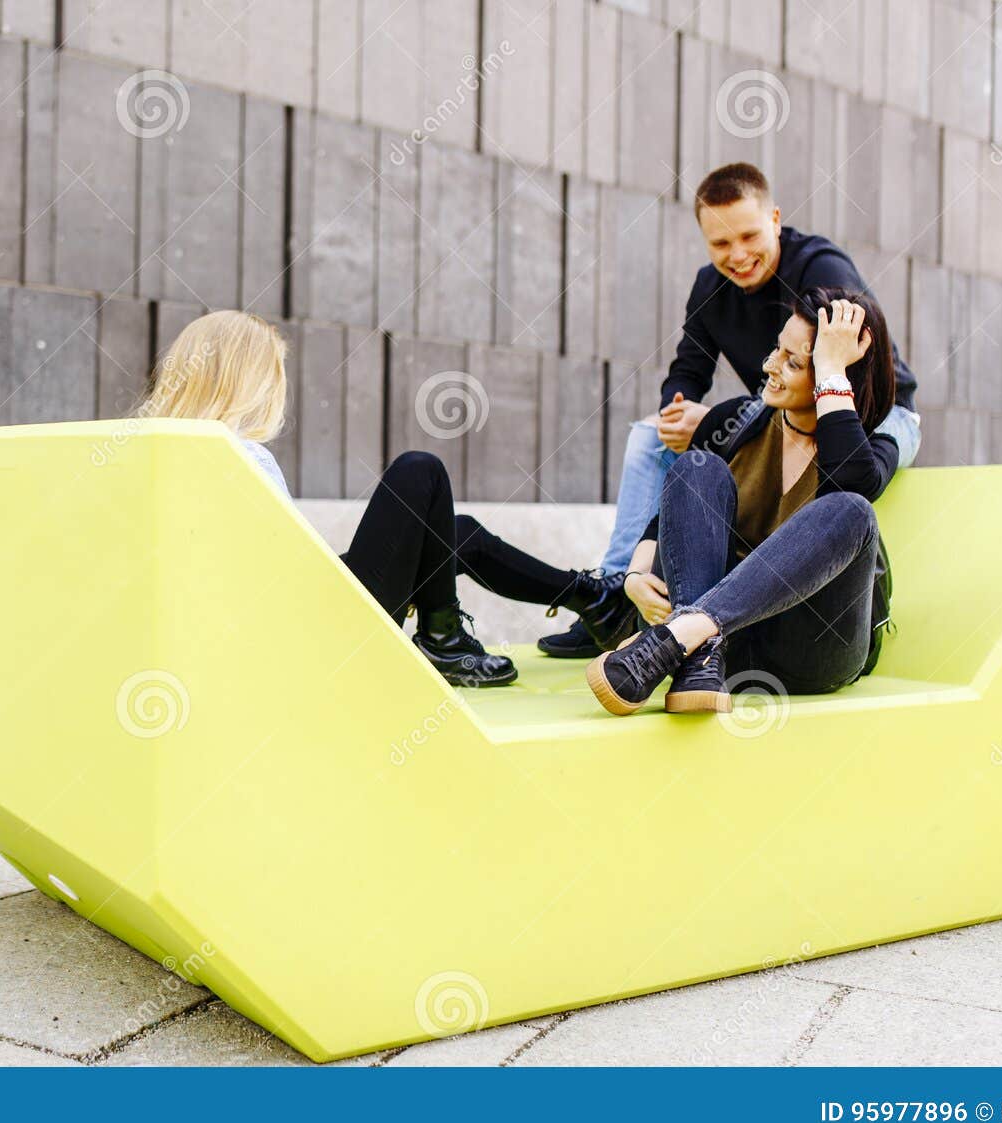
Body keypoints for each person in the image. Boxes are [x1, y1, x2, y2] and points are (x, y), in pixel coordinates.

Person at [541, 162, 921, 660]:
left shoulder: (820, 269)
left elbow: (822, 362)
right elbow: (688, 368)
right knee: (648, 436)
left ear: (776, 220)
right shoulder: (710, 288)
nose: (738, 256)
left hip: (871, 405)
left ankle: (694, 625)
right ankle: (618, 593)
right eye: (721, 245)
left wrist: (746, 412)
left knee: (846, 485)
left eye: (748, 236)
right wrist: (678, 414)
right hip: (781, 405)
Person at [137, 311, 634, 689]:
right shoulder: (242, 456)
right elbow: (283, 573)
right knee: (419, 471)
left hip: (278, 621)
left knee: (453, 534)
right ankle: (447, 641)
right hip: (313, 638)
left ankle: (589, 599)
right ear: (249, 382)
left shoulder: (160, 451)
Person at [585, 288, 897, 716]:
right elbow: (669, 522)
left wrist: (829, 370)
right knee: (697, 467)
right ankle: (695, 648)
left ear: (837, 374)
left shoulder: (871, 450)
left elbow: (849, 484)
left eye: (795, 362)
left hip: (809, 653)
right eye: (777, 349)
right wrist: (635, 577)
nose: (770, 366)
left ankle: (684, 634)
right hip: (717, 660)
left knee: (853, 509)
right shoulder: (735, 423)